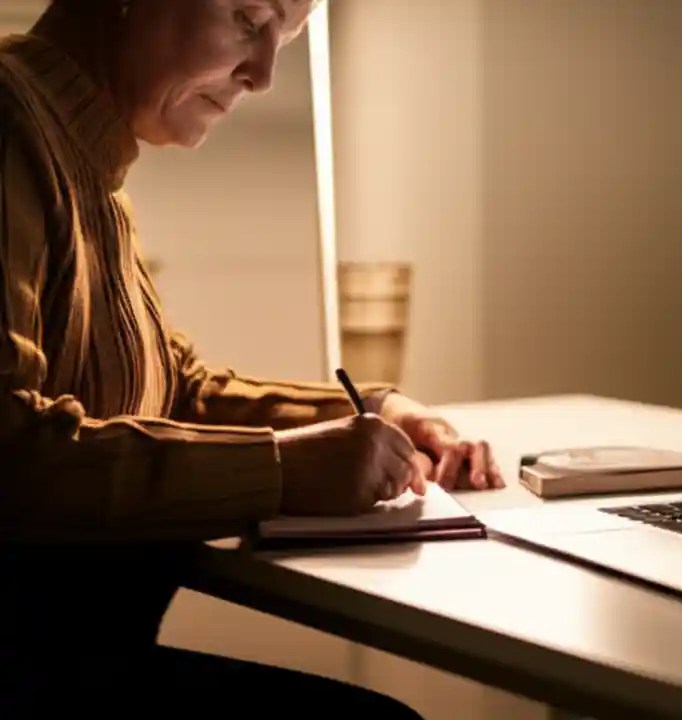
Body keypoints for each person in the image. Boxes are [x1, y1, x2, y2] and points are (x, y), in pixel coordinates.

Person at [0, 1, 504, 715]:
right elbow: (9, 453)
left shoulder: (86, 164)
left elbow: (173, 388)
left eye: (285, 37)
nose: (264, 74)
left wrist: (374, 409)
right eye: (246, 16)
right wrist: (280, 469)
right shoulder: (11, 130)